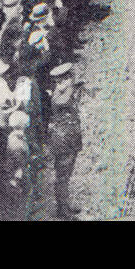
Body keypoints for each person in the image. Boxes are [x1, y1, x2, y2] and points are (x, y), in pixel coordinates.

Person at [46, 63, 82, 219]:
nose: (71, 80)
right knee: (63, 176)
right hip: (63, 140)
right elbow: (66, 99)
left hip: (69, 137)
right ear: (62, 80)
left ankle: (65, 204)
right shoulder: (61, 96)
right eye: (68, 78)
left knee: (66, 175)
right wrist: (73, 86)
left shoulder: (65, 91)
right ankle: (62, 209)